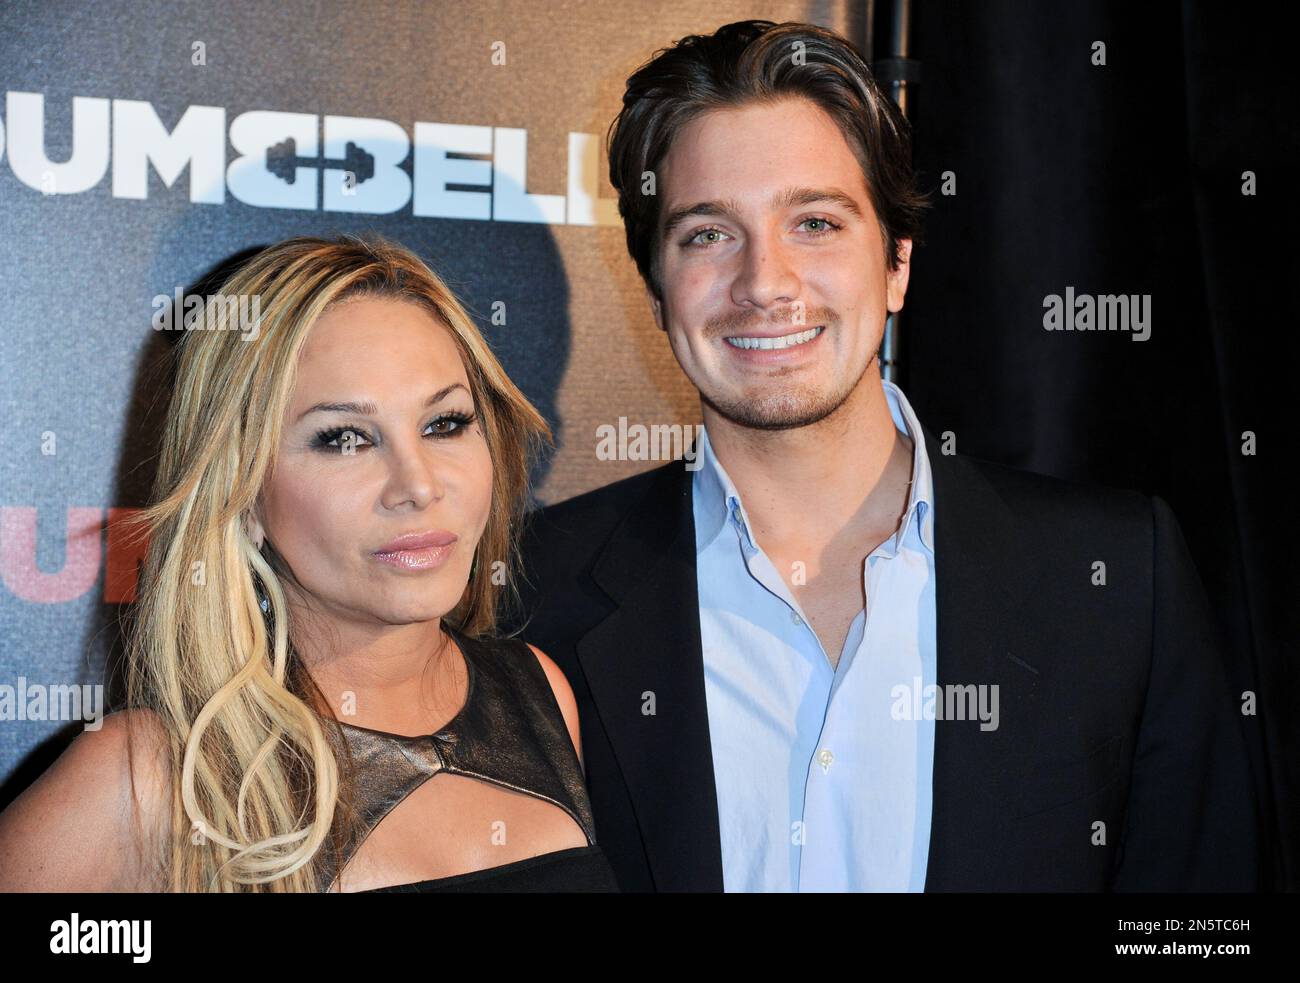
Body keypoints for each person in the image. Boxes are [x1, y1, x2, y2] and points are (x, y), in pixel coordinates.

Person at [501, 20, 1260, 891]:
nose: (766, 282)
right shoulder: (531, 598)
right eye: (708, 234)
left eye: (816, 222)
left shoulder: (1120, 582)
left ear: (898, 262)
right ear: (654, 283)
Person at [0, 234, 619, 893]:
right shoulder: (148, 779)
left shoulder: (538, 693)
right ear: (243, 493)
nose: (418, 483)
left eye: (444, 423)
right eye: (344, 437)